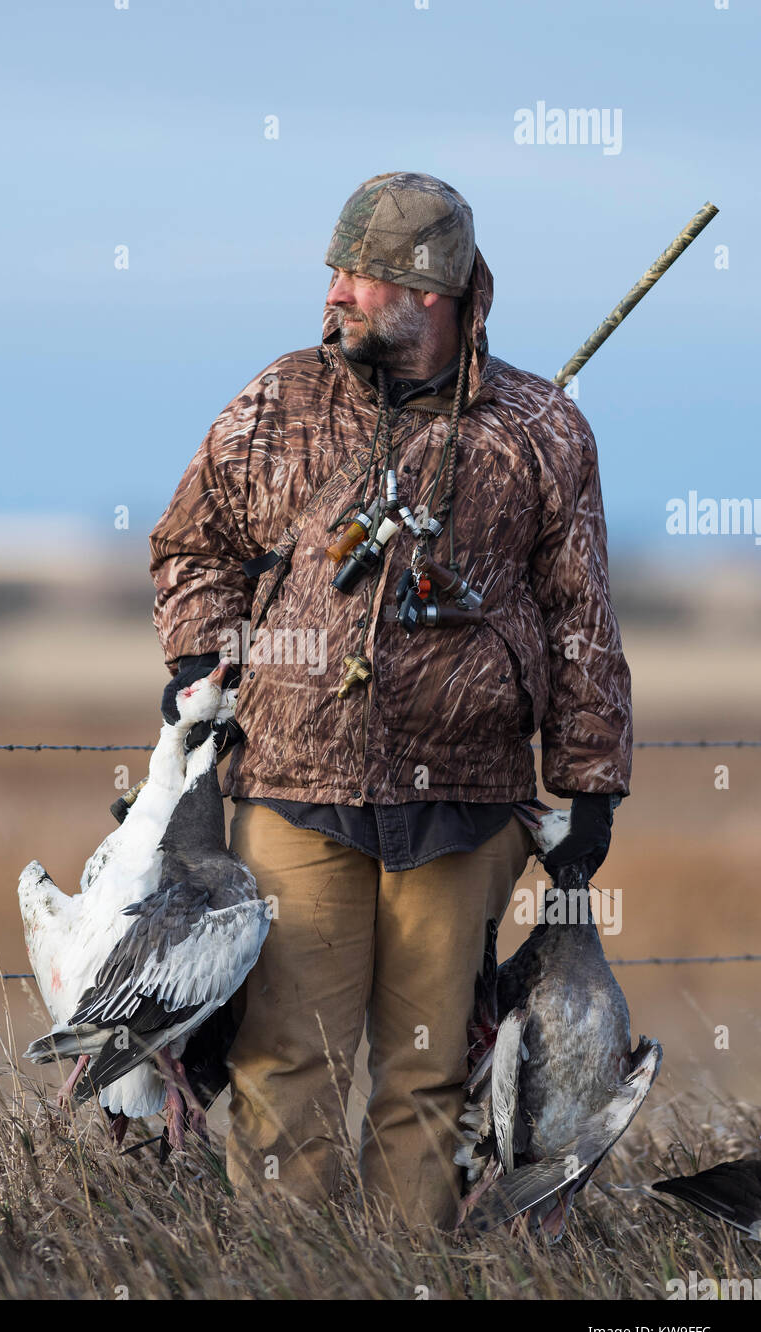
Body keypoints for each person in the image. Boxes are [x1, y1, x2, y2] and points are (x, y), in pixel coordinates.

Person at [149, 171, 632, 1230]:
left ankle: (406, 1277)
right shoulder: (279, 404)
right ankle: (288, 1278)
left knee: (428, 1083)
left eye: (366, 275)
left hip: (468, 806)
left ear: (440, 295)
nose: (338, 291)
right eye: (337, 268)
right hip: (292, 791)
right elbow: (192, 546)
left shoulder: (540, 430)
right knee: (288, 1065)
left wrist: (589, 787)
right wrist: (197, 659)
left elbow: (581, 616)